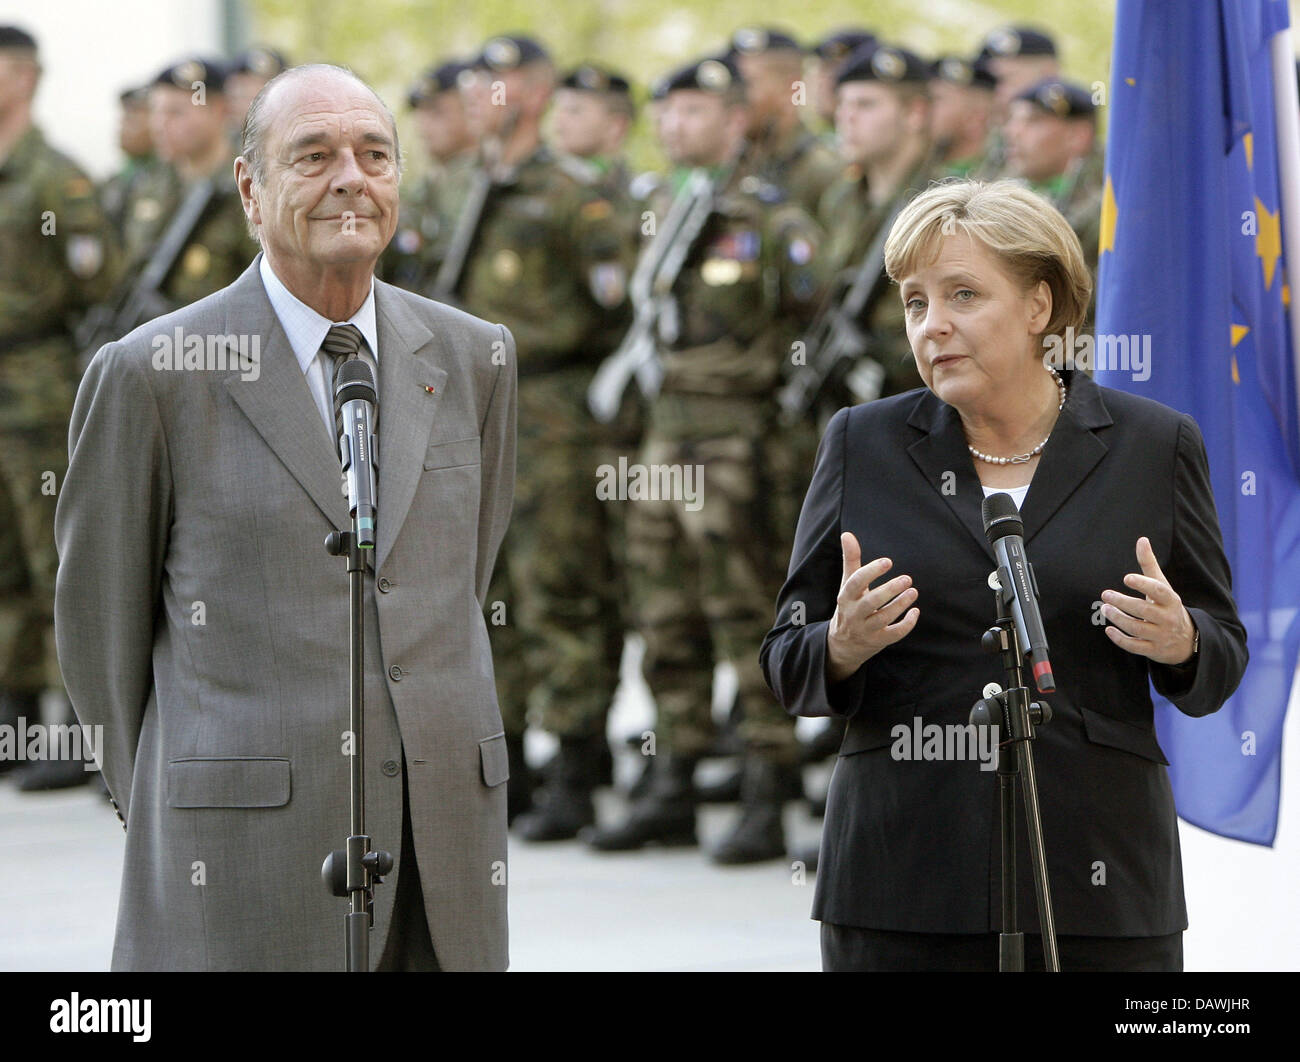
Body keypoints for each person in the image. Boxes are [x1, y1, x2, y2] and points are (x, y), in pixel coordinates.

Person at [54, 63, 516, 971]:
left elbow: (461, 578)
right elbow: (100, 629)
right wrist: (181, 790)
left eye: (374, 155)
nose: (351, 178)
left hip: (440, 848)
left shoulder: (475, 358)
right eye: (313, 156)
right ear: (250, 189)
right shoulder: (154, 373)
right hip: (241, 859)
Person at [760, 179, 1248, 972]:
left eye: (963, 294)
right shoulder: (861, 443)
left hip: (1097, 880)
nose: (933, 324)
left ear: (1038, 306)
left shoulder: (1153, 446)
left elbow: (1221, 660)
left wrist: (1183, 640)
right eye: (915, 302)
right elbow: (785, 662)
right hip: (901, 885)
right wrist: (839, 645)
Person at [586, 55, 825, 864]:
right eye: (667, 111)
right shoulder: (660, 206)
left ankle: (767, 784)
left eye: (692, 111)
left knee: (742, 609)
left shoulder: (770, 219)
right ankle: (672, 781)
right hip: (663, 432)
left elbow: (809, 318)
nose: (673, 125)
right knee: (664, 611)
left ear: (735, 121)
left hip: (733, 437)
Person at [453, 36, 634, 839]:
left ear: (528, 92)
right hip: (472, 410)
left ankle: (575, 767)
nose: (474, 96)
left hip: (551, 412)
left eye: (490, 82)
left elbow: (615, 314)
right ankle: (510, 760)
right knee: (488, 593)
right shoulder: (469, 189)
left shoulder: (571, 199)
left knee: (557, 587)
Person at [0, 25, 118, 790]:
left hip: (38, 386)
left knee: (54, 559)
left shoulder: (56, 179)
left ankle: (74, 732)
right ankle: (11, 723)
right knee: (4, 562)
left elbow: (99, 281)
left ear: (24, 76)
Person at [383, 57, 476, 294]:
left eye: (437, 112)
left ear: (472, 109)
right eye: (420, 113)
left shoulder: (489, 183)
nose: (424, 125)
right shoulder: (422, 188)